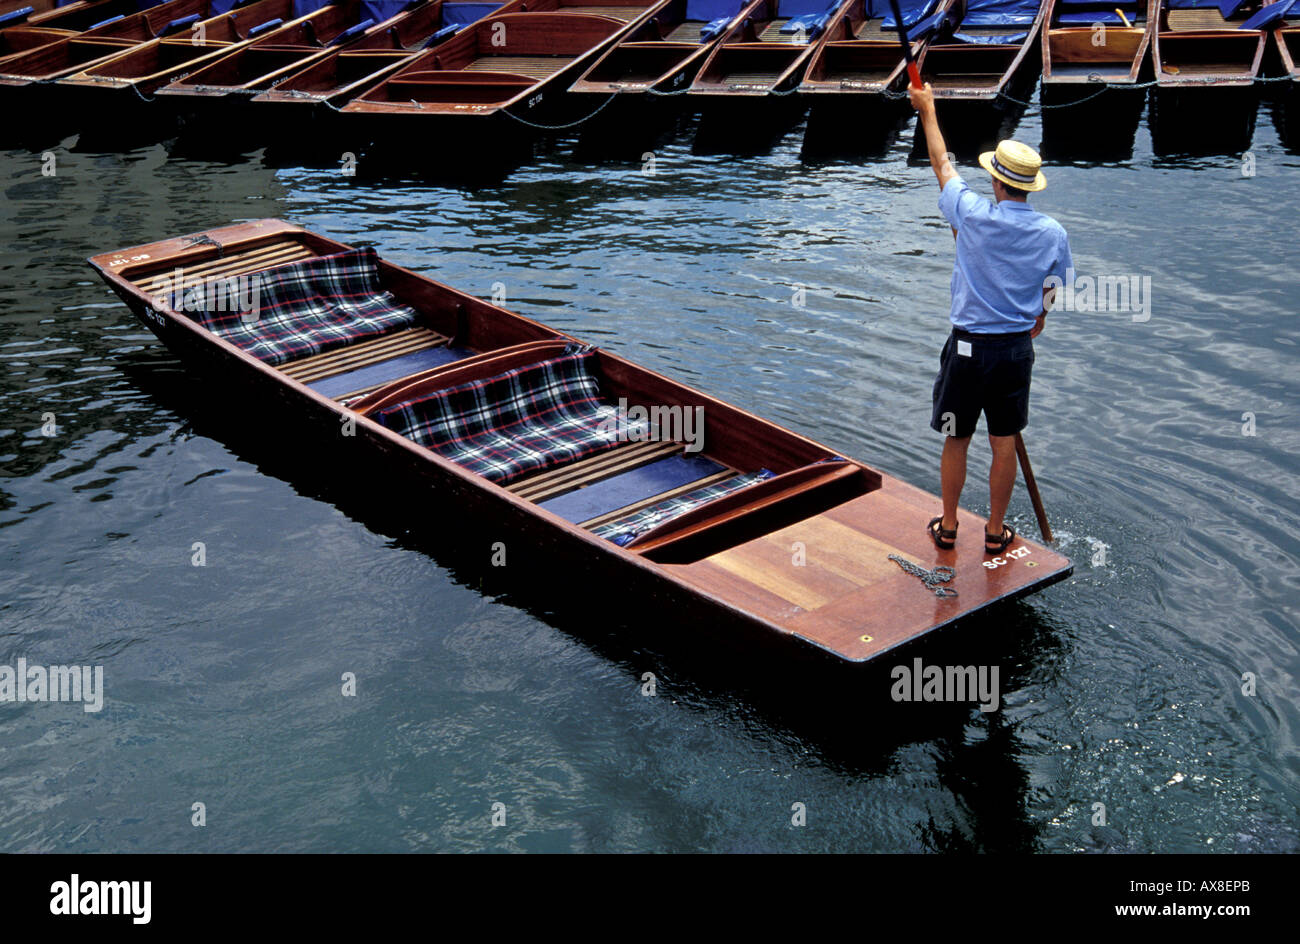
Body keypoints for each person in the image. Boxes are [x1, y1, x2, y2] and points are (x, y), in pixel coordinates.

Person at [908, 82, 1073, 555]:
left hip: (967, 349)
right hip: (1015, 351)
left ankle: (950, 525)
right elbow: (1052, 287)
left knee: (957, 439)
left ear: (997, 182)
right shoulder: (1052, 232)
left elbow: (941, 163)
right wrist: (1037, 316)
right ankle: (996, 532)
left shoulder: (972, 213)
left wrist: (928, 109)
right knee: (1005, 443)